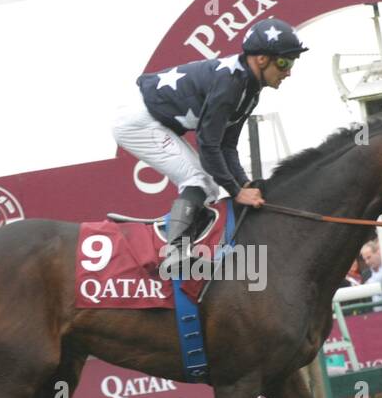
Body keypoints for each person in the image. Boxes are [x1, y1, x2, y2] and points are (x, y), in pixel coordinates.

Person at [111, 17, 307, 274]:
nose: (288, 71)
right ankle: (175, 253)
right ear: (261, 59)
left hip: (152, 119)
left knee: (210, 185)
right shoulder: (231, 85)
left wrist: (244, 184)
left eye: (292, 63)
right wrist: (236, 192)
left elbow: (227, 146)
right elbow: (208, 144)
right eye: (284, 62)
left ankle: (184, 245)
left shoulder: (250, 89)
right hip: (138, 122)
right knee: (198, 179)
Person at [359, 240, 382, 309]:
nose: (367, 262)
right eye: (365, 259)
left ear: (378, 253)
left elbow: (381, 279)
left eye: (369, 257)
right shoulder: (365, 274)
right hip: (375, 315)